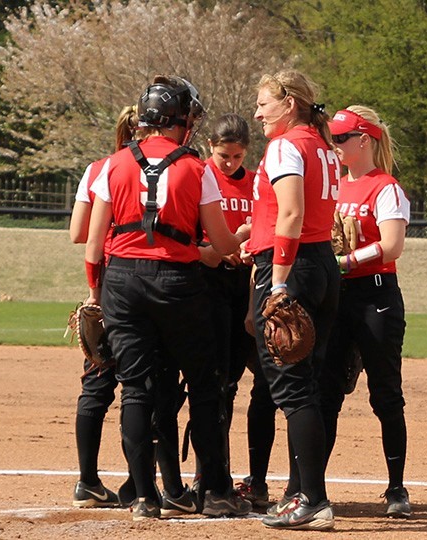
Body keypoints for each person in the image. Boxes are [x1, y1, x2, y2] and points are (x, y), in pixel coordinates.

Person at [84, 75, 252, 520]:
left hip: (121, 281)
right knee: (203, 385)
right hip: (179, 282)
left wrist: (96, 295)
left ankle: (143, 497)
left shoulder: (114, 164)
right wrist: (237, 239)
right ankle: (214, 492)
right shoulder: (196, 169)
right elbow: (222, 243)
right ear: (181, 121)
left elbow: (92, 244)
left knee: (136, 389)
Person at [247, 69, 341, 531]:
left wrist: (278, 280)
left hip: (294, 264)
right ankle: (299, 490)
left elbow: (291, 212)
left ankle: (313, 499)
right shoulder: (322, 145)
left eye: (264, 102)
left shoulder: (287, 145)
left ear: (288, 103)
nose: (258, 111)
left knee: (291, 386)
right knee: (309, 381)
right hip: (323, 262)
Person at [320, 106, 412, 518]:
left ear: (365, 140)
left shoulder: (386, 187)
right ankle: (313, 489)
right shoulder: (334, 186)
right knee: (326, 395)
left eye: (342, 138)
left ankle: (396, 489)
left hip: (377, 297)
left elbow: (392, 247)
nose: (335, 145)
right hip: (337, 298)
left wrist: (345, 261)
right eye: (333, 139)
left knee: (386, 395)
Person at [194, 113, 275, 509]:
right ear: (211, 146)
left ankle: (254, 481)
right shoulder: (200, 175)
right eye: (224, 155)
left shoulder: (256, 179)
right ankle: (208, 475)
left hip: (246, 281)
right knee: (216, 384)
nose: (230, 163)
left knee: (261, 383)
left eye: (237, 155)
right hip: (209, 282)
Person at [68, 105, 137, 509]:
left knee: (96, 383)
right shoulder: (167, 166)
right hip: (142, 281)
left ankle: (88, 481)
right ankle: (138, 481)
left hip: (104, 281)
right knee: (142, 386)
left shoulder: (98, 169)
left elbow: (79, 233)